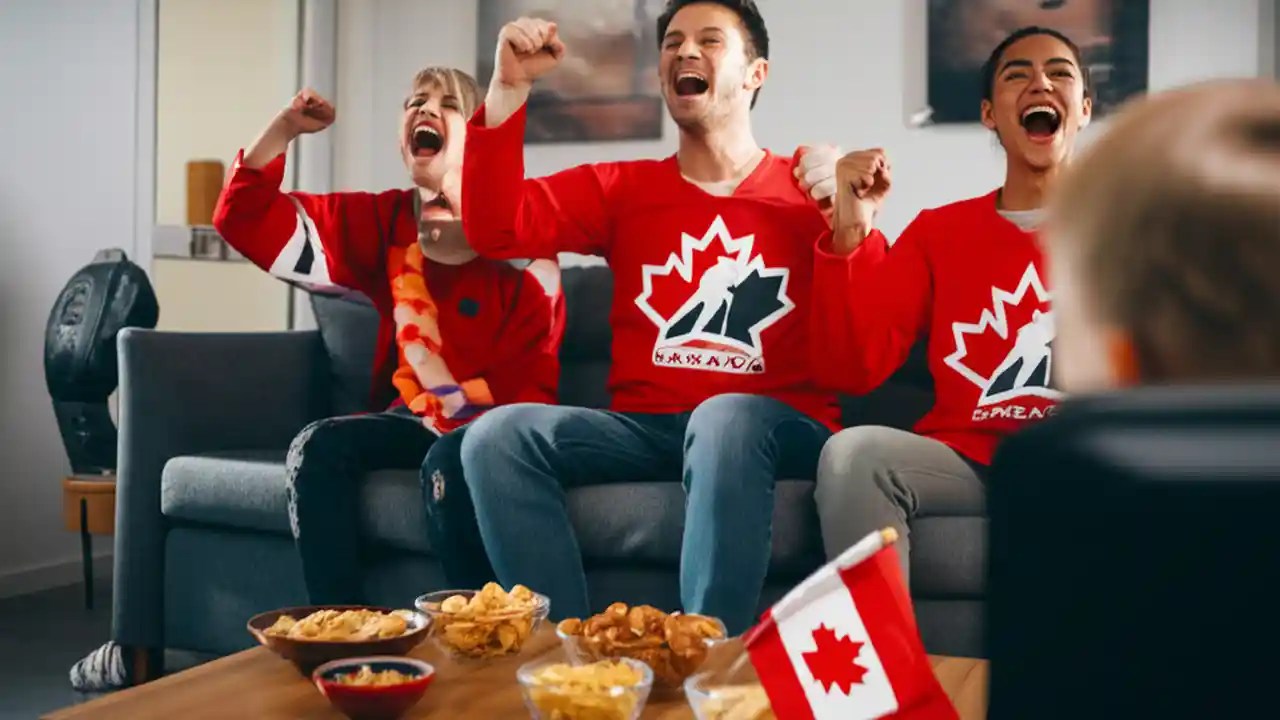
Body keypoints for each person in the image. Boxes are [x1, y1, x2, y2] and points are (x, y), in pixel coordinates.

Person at [455, 0, 841, 634]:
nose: (684, 52)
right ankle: (573, 663)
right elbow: (496, 229)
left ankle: (701, 658)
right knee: (497, 435)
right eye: (672, 43)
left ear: (755, 73)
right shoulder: (623, 189)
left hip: (774, 428)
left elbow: (868, 328)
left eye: (710, 41)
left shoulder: (808, 191)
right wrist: (509, 89)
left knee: (724, 416)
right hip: (650, 428)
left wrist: (848, 215)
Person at [211, 68, 565, 601]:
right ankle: (344, 635)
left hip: (496, 428)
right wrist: (284, 129)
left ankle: (481, 637)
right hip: (412, 422)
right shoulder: (387, 220)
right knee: (318, 445)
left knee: (453, 461)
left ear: (481, 137)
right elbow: (242, 218)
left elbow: (531, 388)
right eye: (415, 100)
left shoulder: (526, 242)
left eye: (447, 104)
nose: (425, 109)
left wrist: (461, 415)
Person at [808, 27, 1092, 578]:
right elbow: (851, 368)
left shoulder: (1130, 228)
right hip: (969, 460)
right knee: (853, 455)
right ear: (989, 113)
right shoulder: (940, 233)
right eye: (1018, 75)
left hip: (1080, 458)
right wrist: (851, 231)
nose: (1040, 83)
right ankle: (882, 662)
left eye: (1059, 73)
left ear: (1082, 108)